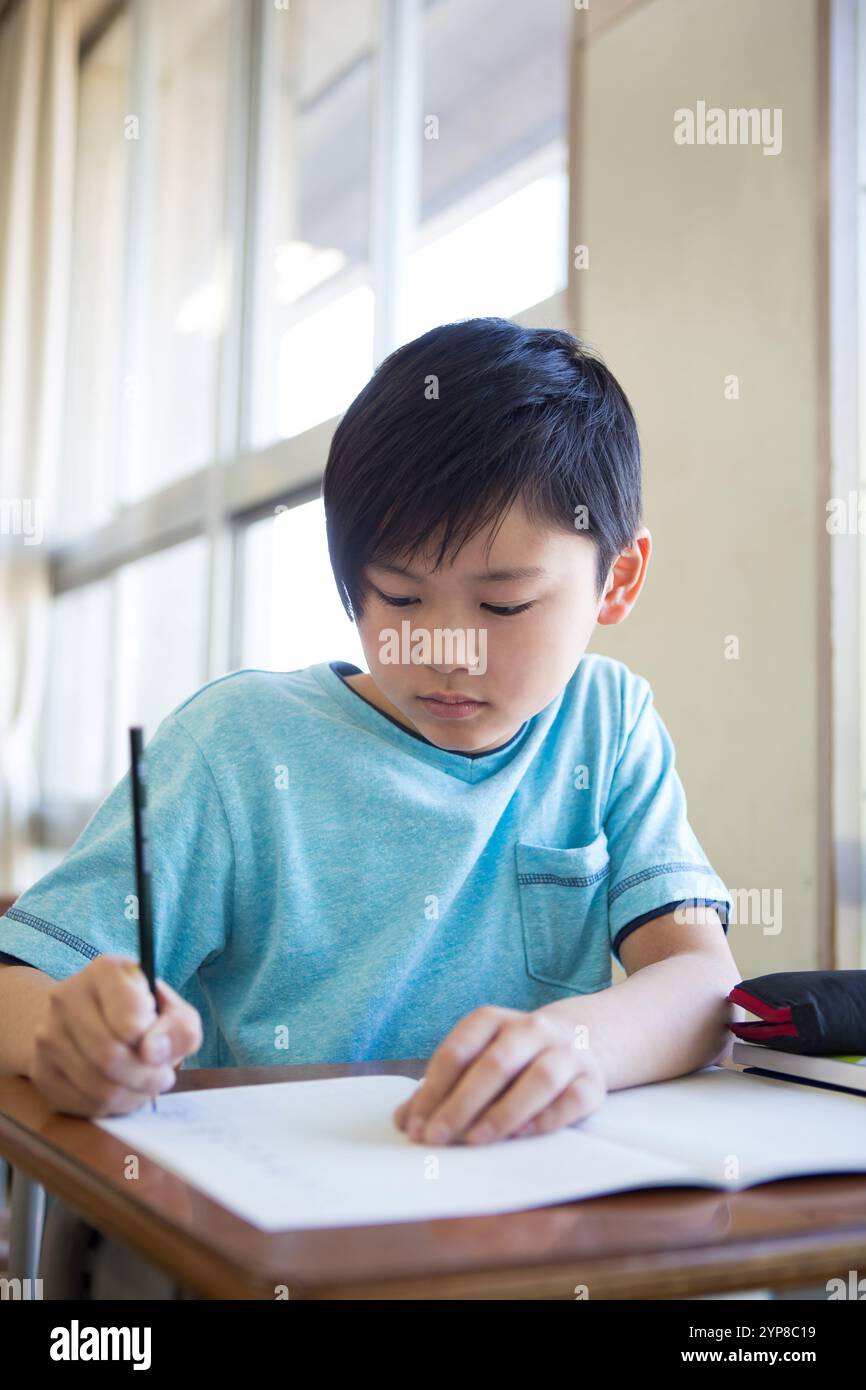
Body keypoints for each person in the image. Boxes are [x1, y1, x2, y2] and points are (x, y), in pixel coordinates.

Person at [0, 317, 740, 1147]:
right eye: (398, 595)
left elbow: (700, 978)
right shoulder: (237, 745)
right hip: (262, 1219)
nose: (444, 650)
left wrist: (578, 1044)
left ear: (619, 579)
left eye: (504, 605)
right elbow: (13, 987)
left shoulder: (606, 724)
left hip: (513, 1213)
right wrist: (67, 1032)